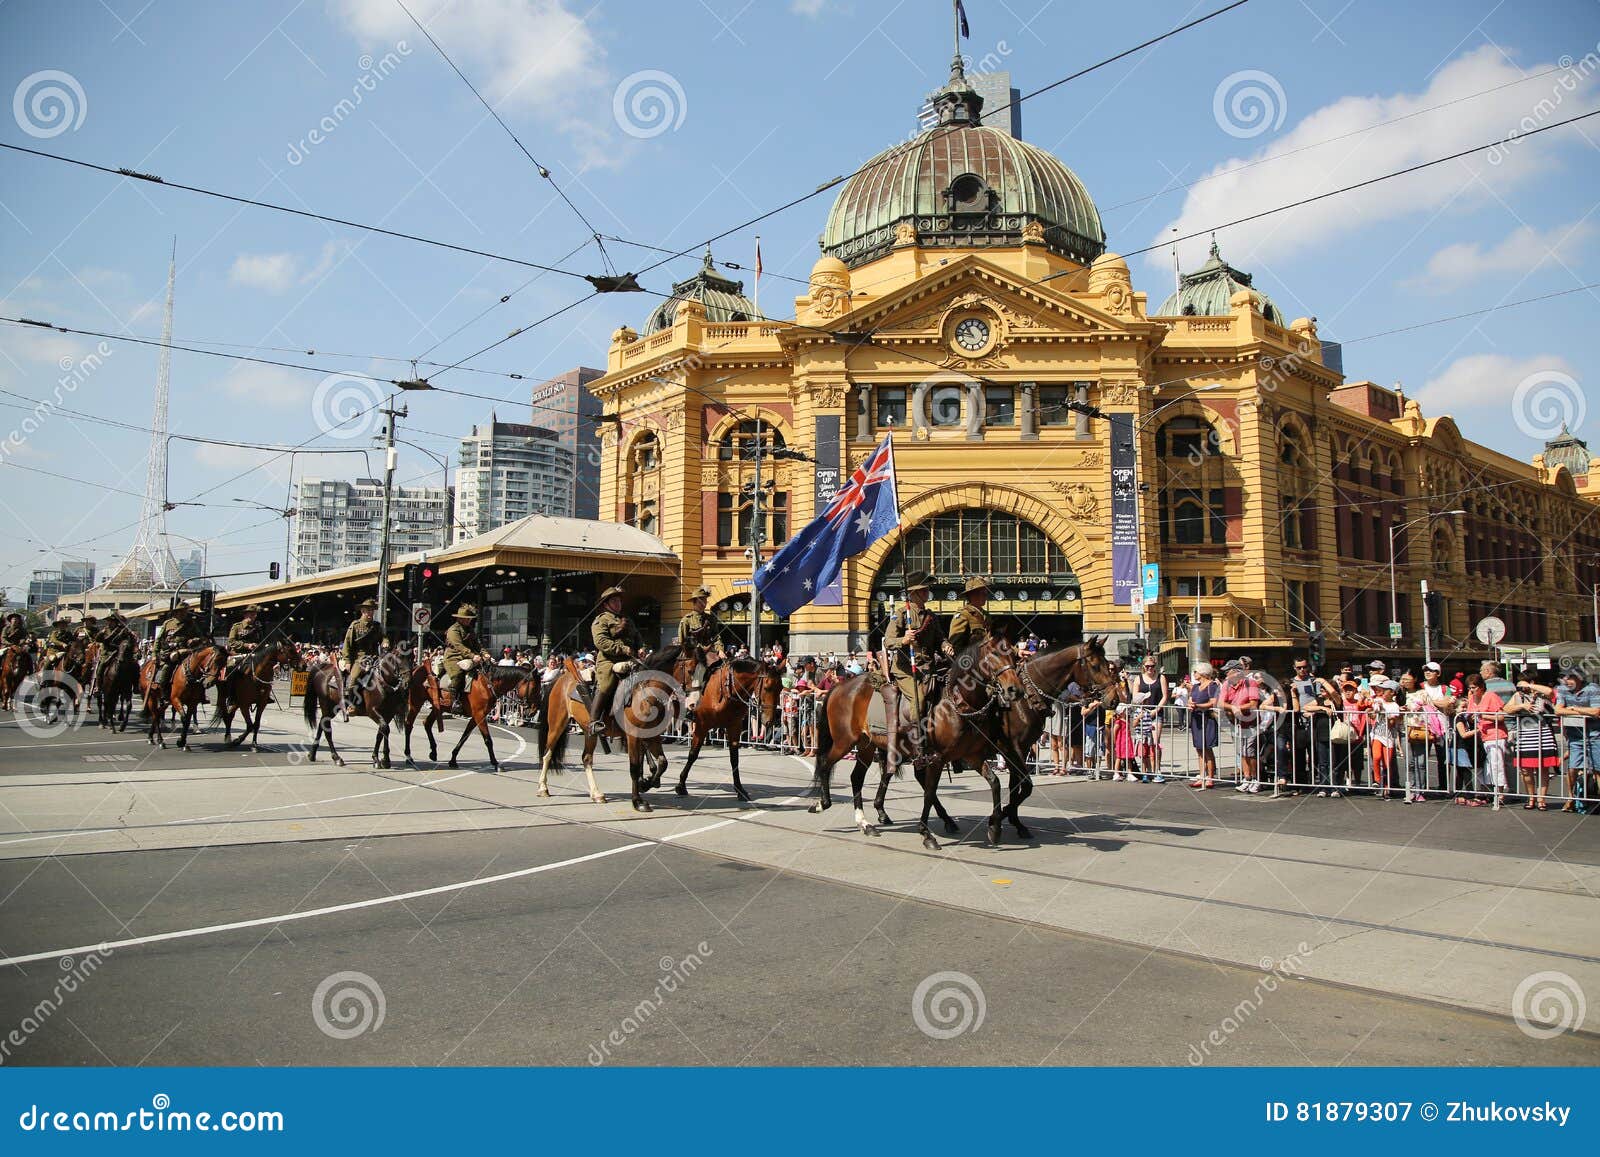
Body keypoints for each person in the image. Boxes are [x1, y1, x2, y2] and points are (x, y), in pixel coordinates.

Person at [885, 571, 945, 718]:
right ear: (913, 593)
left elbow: (940, 639)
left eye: (927, 589)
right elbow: (888, 641)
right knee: (919, 700)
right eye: (923, 590)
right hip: (906, 668)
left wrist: (945, 645)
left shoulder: (931, 616)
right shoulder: (901, 614)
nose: (927, 592)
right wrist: (903, 640)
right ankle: (915, 736)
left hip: (928, 667)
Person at [588, 586, 646, 735]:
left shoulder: (627, 619)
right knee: (607, 683)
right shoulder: (601, 620)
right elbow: (600, 641)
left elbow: (637, 636)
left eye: (619, 600)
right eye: (614, 601)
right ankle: (594, 721)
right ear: (606, 604)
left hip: (630, 658)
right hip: (609, 660)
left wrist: (641, 648)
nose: (618, 603)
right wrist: (622, 649)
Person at [1505, 675, 1561, 810]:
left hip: (1543, 734)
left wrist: (1530, 686)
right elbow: (1506, 709)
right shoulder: (1518, 695)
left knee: (1543, 769)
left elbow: (1550, 692)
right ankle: (1531, 798)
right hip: (1525, 736)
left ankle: (1542, 800)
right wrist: (1522, 705)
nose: (1520, 686)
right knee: (1526, 770)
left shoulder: (1542, 694)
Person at [1554, 668, 1599, 815]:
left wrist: (1573, 708)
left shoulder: (1592, 688)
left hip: (1595, 734)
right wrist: (1580, 710)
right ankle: (1571, 797)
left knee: (1598, 768)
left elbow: (1597, 711)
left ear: (1580, 678)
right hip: (1575, 736)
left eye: (1570, 678)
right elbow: (1558, 710)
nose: (1567, 681)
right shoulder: (1561, 689)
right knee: (1572, 767)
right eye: (1565, 678)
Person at [676, 586, 724, 711]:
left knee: (723, 667)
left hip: (710, 654)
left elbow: (716, 637)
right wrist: (698, 650)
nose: (704, 603)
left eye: (705, 600)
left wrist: (720, 650)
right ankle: (687, 704)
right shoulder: (686, 620)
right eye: (701, 600)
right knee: (695, 671)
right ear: (694, 602)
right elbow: (682, 641)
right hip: (692, 656)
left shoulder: (711, 619)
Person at [338, 598, 384, 722]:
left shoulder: (377, 626)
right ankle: (352, 706)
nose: (370, 613)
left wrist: (385, 643)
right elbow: (347, 644)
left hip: (374, 658)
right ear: (362, 611)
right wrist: (347, 661)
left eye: (372, 611)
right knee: (353, 679)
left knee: (389, 675)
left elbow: (384, 638)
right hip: (360, 659)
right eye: (368, 611)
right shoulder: (355, 625)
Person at [153, 603, 208, 698]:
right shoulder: (168, 623)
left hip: (186, 651)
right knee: (166, 668)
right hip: (170, 652)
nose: (184, 613)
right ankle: (164, 693)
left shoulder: (191, 623)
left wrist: (194, 640)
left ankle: (200, 695)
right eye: (182, 611)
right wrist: (155, 654)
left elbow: (201, 637)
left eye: (186, 611)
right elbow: (158, 639)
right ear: (177, 612)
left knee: (200, 669)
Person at [215, 604, 265, 708]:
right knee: (231, 671)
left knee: (265, 669)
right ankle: (230, 695)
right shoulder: (237, 627)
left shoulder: (258, 627)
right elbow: (231, 642)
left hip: (253, 655)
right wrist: (247, 645)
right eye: (251, 614)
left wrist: (258, 645)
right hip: (237, 654)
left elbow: (261, 641)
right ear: (245, 615)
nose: (253, 616)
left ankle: (264, 694)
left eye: (255, 614)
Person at [441, 604, 483, 716]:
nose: (469, 621)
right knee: (457, 674)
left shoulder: (470, 630)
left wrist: (485, 654)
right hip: (453, 657)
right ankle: (455, 701)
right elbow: (458, 646)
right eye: (467, 619)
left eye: (470, 619)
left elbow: (477, 645)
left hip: (468, 656)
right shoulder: (453, 630)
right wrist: (472, 655)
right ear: (460, 618)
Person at [1187, 662, 1221, 789]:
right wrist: (1190, 705)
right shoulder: (1195, 686)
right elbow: (1191, 700)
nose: (1194, 674)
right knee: (1199, 748)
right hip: (1196, 719)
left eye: (1195, 672)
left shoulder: (1212, 686)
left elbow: (1213, 702)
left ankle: (1210, 777)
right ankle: (1201, 776)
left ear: (1202, 673)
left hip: (1208, 719)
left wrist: (1198, 706)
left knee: (1207, 748)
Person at [1366, 676, 1402, 799]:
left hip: (1389, 736)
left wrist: (1384, 713)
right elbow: (1372, 715)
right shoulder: (1379, 701)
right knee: (1376, 757)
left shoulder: (1394, 706)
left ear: (1392, 692)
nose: (1382, 692)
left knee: (1387, 763)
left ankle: (1387, 787)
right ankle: (1376, 781)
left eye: (1385, 690)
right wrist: (1373, 711)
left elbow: (1392, 722)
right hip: (1377, 734)